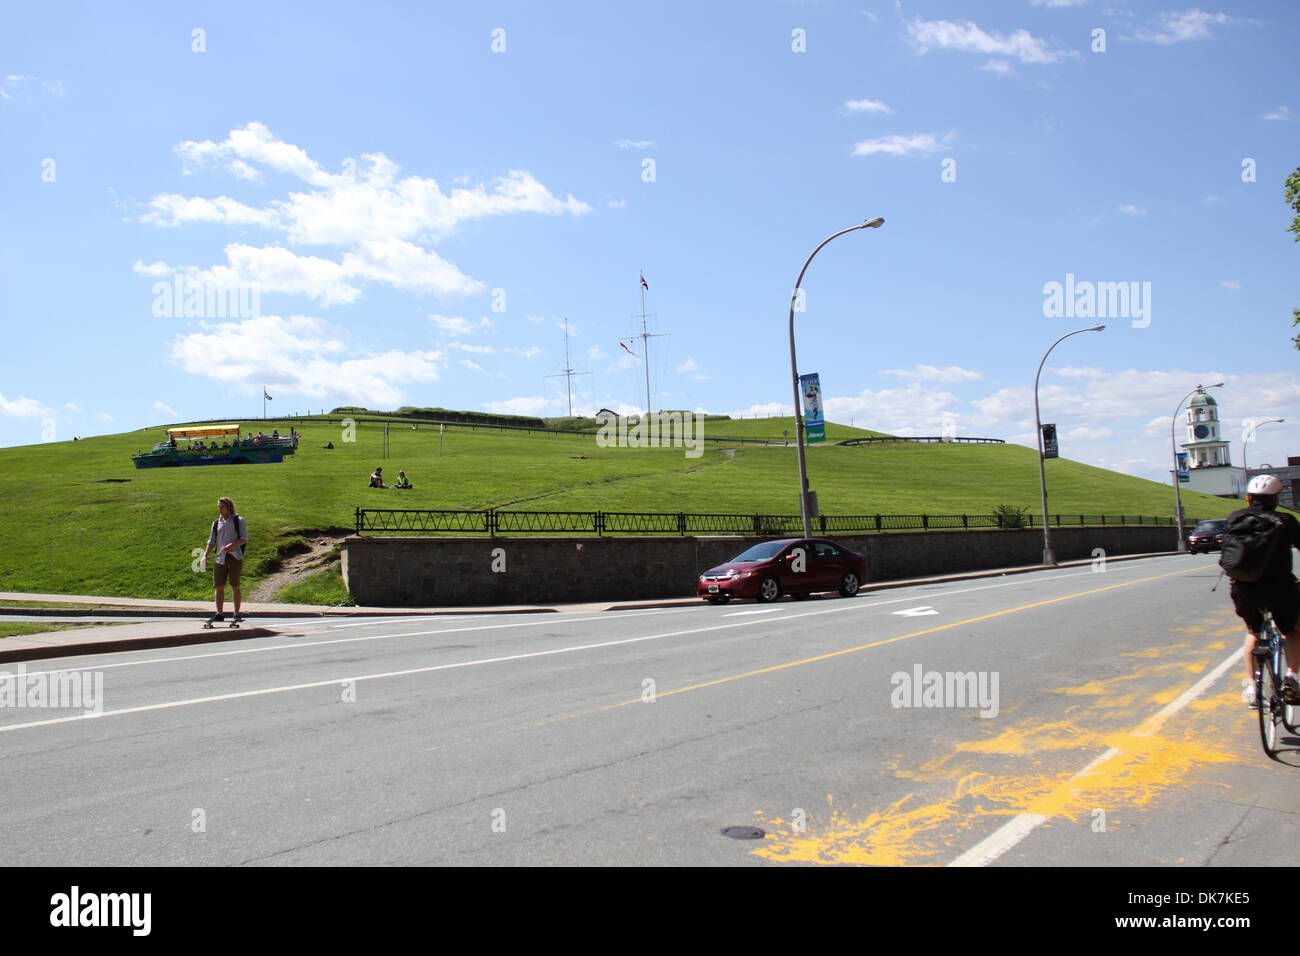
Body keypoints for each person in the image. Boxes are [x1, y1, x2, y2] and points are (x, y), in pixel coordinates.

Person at [1230, 475, 1300, 707]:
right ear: (1275, 499)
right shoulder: (1285, 520)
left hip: (1245, 589)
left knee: (1253, 632)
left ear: (1250, 498)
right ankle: (1291, 677)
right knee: (1292, 630)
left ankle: (1252, 688)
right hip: (1280, 589)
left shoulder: (1236, 518)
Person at [203, 497, 247, 625]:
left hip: (234, 557)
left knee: (235, 586)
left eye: (222, 507)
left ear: (229, 507)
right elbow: (212, 541)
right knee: (219, 586)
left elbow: (244, 538)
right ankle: (219, 613)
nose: (219, 509)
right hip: (220, 558)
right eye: (218, 507)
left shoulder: (238, 521)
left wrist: (231, 546)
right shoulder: (217, 523)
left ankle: (236, 613)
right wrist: (205, 555)